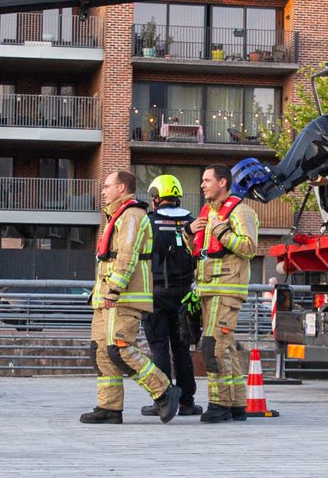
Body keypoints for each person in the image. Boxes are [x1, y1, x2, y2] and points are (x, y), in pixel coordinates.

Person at [83, 168, 180, 425]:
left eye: (107, 186)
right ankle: (109, 407)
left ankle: (164, 391)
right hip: (106, 298)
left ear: (121, 188)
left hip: (123, 296)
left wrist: (114, 288)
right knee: (101, 352)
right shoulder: (116, 215)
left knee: (120, 349)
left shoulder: (133, 215)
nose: (103, 191)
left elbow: (127, 255)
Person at [193, 163, 263, 422]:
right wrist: (190, 232)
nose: (202, 185)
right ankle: (236, 405)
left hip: (227, 289)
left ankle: (219, 404)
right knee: (226, 348)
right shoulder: (210, 214)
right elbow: (201, 252)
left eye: (207, 180)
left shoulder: (241, 212)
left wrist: (221, 230)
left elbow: (249, 248)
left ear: (222, 183)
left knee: (214, 347)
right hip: (209, 290)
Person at [140, 175, 199, 418]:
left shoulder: (149, 222)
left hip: (156, 294)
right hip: (185, 294)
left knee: (159, 348)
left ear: (156, 198)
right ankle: (187, 401)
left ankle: (163, 399)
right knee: (182, 348)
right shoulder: (191, 222)